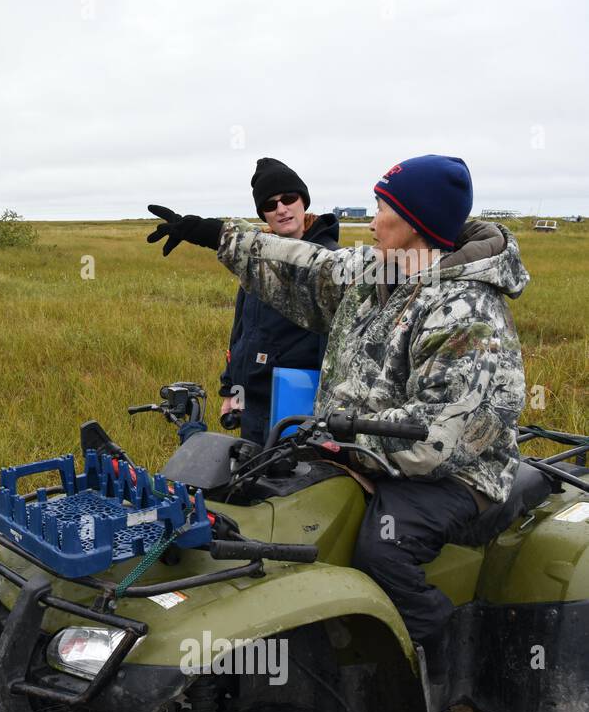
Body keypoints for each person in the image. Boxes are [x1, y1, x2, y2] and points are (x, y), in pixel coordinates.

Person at [146, 155, 528, 680]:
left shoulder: (466, 313)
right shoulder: (380, 273)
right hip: (356, 449)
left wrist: (343, 447)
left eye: (382, 209)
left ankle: (441, 663)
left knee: (383, 549)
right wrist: (214, 235)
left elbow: (436, 440)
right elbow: (302, 263)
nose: (371, 222)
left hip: (457, 473)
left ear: (416, 224)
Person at [218, 159, 338, 445]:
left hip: (298, 411)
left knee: (289, 486)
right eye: (270, 205)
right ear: (263, 214)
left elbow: (334, 350)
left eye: (288, 198)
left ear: (303, 201)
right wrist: (232, 390)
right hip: (254, 406)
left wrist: (326, 417)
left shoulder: (330, 264)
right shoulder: (256, 262)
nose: (281, 209)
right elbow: (242, 332)